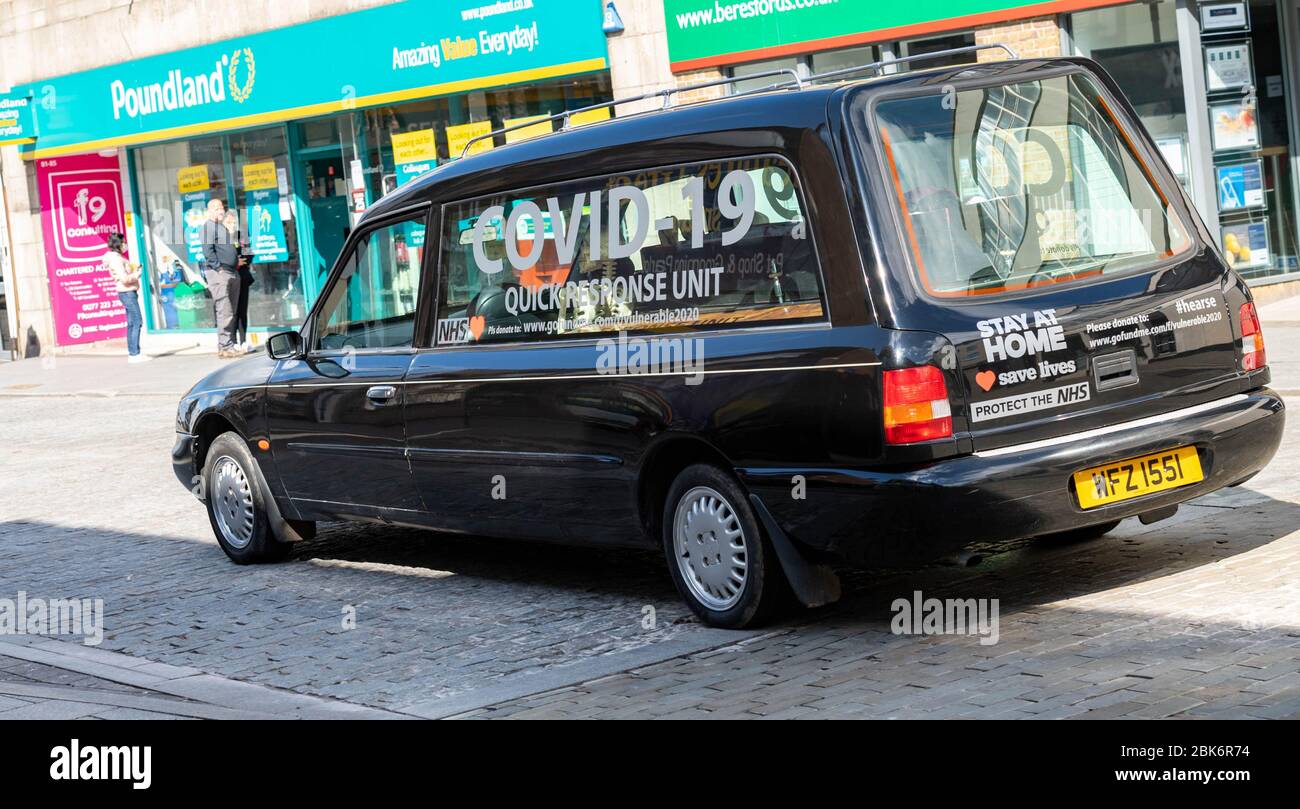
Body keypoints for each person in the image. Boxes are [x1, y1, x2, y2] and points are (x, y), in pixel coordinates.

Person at [202, 198, 242, 357]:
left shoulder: (221, 227)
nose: (221, 211)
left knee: (231, 310)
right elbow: (208, 251)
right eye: (218, 208)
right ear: (210, 210)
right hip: (220, 273)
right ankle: (225, 347)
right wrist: (218, 268)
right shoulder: (208, 227)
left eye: (222, 208)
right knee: (224, 311)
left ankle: (229, 344)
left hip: (231, 272)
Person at [103, 232, 148, 363]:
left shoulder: (116, 258)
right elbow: (124, 279)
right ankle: (135, 353)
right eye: (123, 242)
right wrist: (137, 274)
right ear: (118, 244)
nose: (125, 244)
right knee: (137, 321)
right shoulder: (116, 259)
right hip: (127, 292)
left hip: (126, 293)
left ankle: (133, 352)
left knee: (132, 323)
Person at [224, 208, 254, 352]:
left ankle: (243, 340)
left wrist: (244, 261)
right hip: (229, 277)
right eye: (229, 221)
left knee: (242, 310)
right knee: (232, 311)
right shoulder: (221, 238)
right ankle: (233, 340)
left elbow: (249, 253)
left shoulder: (242, 236)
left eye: (234, 221)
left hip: (243, 277)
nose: (232, 224)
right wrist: (236, 262)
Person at [157, 259, 183, 329]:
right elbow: (162, 285)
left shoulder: (178, 274)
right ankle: (171, 326)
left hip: (174, 296)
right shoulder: (163, 275)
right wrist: (173, 285)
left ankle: (176, 325)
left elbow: (179, 283)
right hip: (167, 297)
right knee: (169, 312)